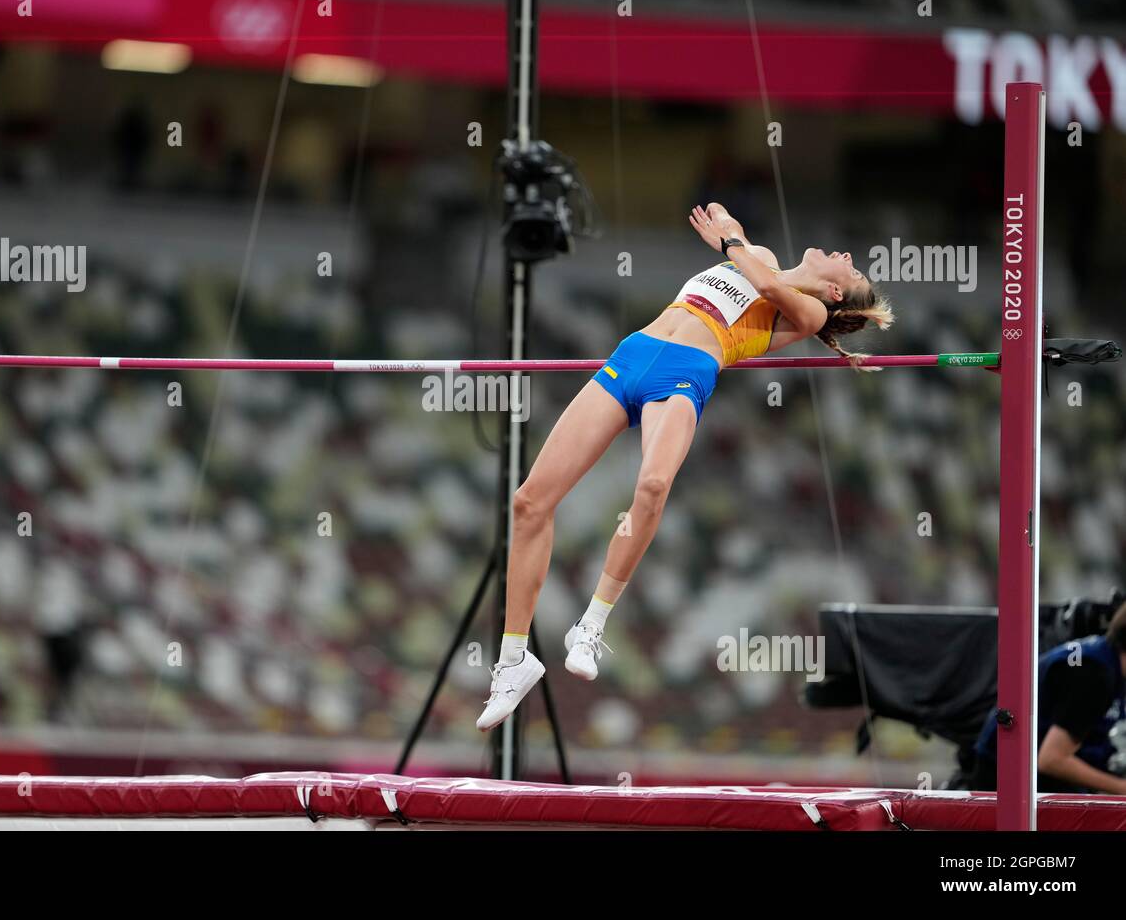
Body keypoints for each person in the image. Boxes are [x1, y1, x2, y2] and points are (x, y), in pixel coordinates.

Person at [477, 202, 893, 731]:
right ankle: (514, 661)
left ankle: (592, 623)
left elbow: (764, 287)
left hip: (684, 372)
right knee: (530, 501)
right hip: (632, 356)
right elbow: (753, 268)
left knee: (652, 485)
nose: (848, 256)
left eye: (852, 270)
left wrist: (731, 240)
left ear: (836, 294)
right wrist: (736, 237)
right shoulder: (756, 254)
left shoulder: (808, 313)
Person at [971, 603, 1126, 794]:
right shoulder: (1093, 676)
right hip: (1009, 775)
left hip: (1035, 768)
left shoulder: (1107, 658)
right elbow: (1051, 759)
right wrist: (1121, 788)